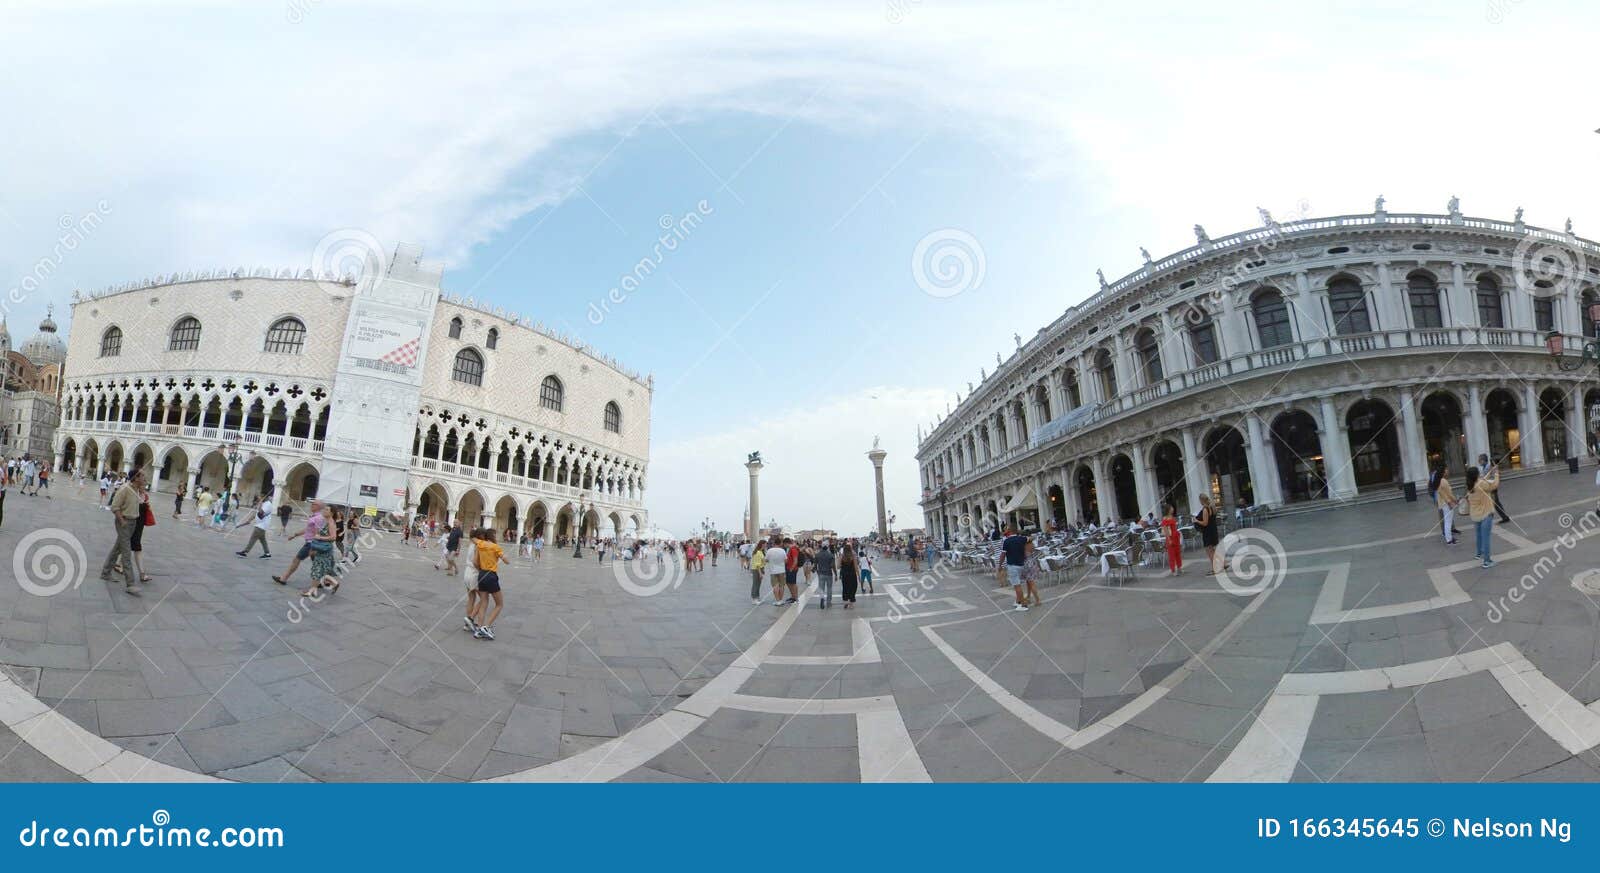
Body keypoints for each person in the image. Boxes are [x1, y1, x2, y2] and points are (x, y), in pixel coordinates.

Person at [99, 468, 145, 596]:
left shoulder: (136, 489)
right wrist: (122, 521)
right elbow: (115, 506)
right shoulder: (125, 489)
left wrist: (142, 491)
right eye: (142, 477)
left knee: (117, 549)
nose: (144, 479)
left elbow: (143, 502)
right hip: (124, 522)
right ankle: (130, 584)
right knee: (126, 553)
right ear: (136, 478)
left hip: (133, 523)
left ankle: (105, 573)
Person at [272, 499, 327, 586]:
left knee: (296, 559)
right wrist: (295, 535)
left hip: (311, 544)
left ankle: (283, 578)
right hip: (312, 543)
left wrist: (314, 545)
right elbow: (308, 529)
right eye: (312, 504)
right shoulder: (315, 517)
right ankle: (326, 581)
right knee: (317, 563)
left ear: (319, 507)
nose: (312, 505)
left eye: (314, 504)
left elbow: (318, 533)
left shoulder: (318, 518)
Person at [468, 529, 507, 640]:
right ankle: (486, 626)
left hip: (481, 574)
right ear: (493, 536)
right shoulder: (495, 547)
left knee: (484, 602)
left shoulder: (480, 544)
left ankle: (480, 629)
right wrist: (504, 558)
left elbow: (475, 562)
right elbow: (506, 560)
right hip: (491, 575)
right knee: (499, 604)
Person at [298, 510, 343, 598]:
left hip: (324, 550)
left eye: (327, 509)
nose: (324, 511)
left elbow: (333, 537)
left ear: (331, 513)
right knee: (320, 570)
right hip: (322, 549)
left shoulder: (331, 523)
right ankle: (331, 584)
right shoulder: (327, 522)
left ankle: (312, 591)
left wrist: (319, 537)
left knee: (317, 569)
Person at [1465, 464, 1500, 569]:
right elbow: (1494, 485)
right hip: (1485, 514)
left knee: (1479, 535)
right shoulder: (1481, 484)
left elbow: (1482, 480)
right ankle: (1487, 561)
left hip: (1475, 515)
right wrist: (1497, 474)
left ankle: (1479, 553)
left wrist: (1490, 472)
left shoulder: (1469, 485)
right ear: (1476, 475)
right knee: (1486, 538)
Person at [236, 492, 275, 559]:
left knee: (253, 539)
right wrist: (248, 521)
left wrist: (259, 504)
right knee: (263, 540)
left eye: (260, 497)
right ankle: (267, 553)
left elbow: (261, 513)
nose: (258, 498)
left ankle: (245, 552)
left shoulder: (268, 504)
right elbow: (256, 514)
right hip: (261, 525)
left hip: (261, 526)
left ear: (264, 497)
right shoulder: (263, 504)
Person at [1001, 526, 1029, 612]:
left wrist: (999, 564)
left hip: (1012, 565)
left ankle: (1023, 605)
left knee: (1017, 585)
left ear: (1009, 531)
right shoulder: (1022, 539)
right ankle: (1018, 601)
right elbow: (1031, 538)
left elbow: (1003, 555)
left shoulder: (1007, 541)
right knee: (1018, 584)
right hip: (1021, 564)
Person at [1477, 453, 1510, 524]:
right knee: (1494, 502)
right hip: (1489, 486)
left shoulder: (1488, 467)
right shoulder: (1486, 467)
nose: (1478, 461)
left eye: (1480, 460)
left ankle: (1504, 517)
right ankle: (1504, 517)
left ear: (1483, 460)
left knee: (1495, 503)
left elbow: (1485, 477)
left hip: (1491, 487)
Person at [1196, 495, 1220, 575]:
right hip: (1213, 530)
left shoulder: (1205, 509)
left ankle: (1214, 569)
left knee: (1209, 551)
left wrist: (1196, 521)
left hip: (1208, 533)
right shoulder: (1212, 507)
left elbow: (1205, 523)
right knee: (1213, 550)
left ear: (1201, 500)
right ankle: (1223, 564)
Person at [1436, 466, 1459, 546]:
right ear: (1443, 472)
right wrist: (1455, 501)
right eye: (1446, 470)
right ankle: (1449, 539)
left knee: (1447, 521)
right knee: (1448, 522)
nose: (1447, 471)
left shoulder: (1439, 481)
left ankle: (1449, 538)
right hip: (1447, 503)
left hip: (1443, 503)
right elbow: (1449, 494)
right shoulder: (1443, 481)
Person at [1161, 503, 1182, 576]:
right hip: (1170, 537)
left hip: (1176, 536)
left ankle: (1179, 568)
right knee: (1172, 555)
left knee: (1178, 553)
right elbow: (1166, 530)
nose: (1173, 509)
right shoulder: (1165, 519)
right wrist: (1169, 539)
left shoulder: (1172, 517)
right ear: (1168, 510)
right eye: (1171, 508)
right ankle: (1173, 570)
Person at [765, 539, 788, 606]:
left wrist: (771, 561)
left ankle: (777, 601)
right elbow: (786, 561)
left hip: (773, 571)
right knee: (782, 586)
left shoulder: (769, 550)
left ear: (774, 543)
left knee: (775, 586)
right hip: (782, 570)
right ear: (780, 543)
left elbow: (766, 560)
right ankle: (781, 600)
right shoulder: (782, 550)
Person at [814, 541, 836, 609]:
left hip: (821, 574)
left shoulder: (817, 555)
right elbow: (833, 566)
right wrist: (836, 574)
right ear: (828, 547)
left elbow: (815, 566)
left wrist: (817, 572)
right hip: (829, 573)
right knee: (829, 588)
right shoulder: (831, 555)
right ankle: (829, 603)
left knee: (821, 588)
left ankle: (822, 598)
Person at [839, 544, 860, 609]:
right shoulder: (853, 556)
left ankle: (846, 601)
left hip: (844, 575)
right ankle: (851, 603)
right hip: (852, 574)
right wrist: (859, 575)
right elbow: (856, 567)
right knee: (853, 587)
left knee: (845, 587)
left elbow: (838, 566)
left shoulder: (842, 556)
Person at [749, 538, 767, 604]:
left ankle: (757, 597)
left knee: (758, 584)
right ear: (762, 544)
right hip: (757, 570)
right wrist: (760, 573)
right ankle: (754, 599)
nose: (766, 545)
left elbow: (762, 561)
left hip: (760, 569)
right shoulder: (758, 552)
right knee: (755, 584)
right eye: (765, 544)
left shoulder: (761, 552)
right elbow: (757, 565)